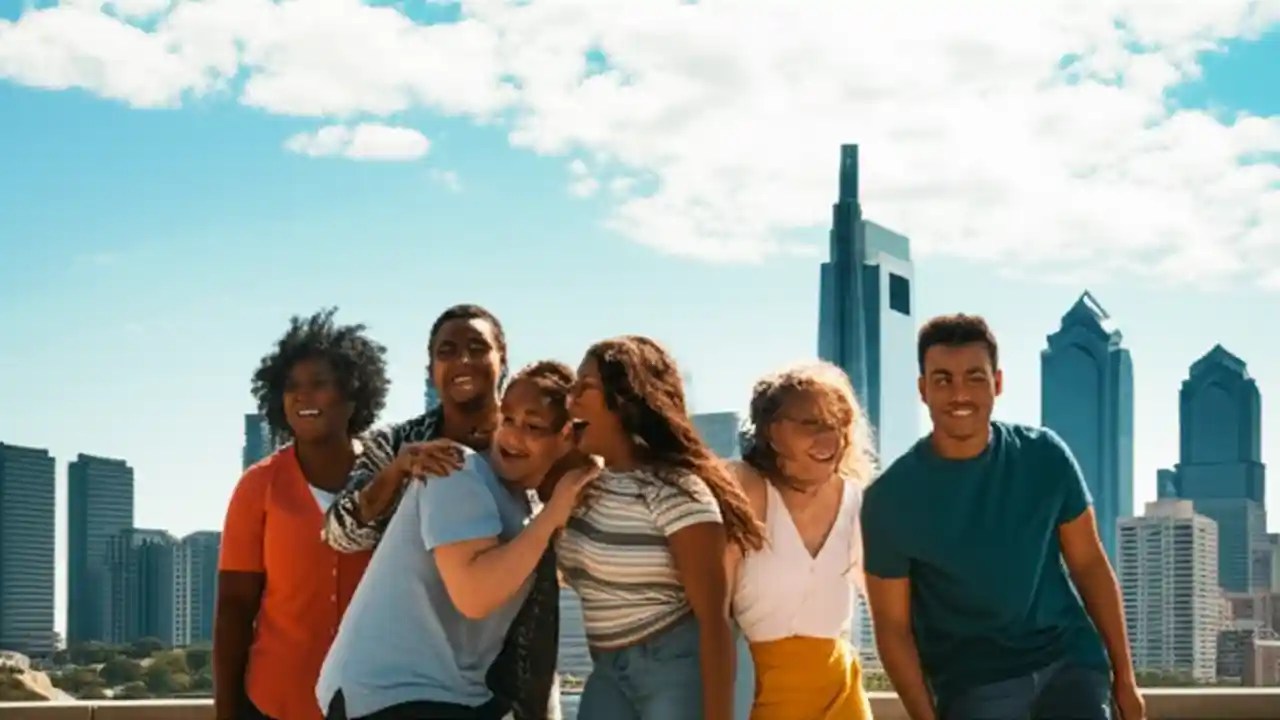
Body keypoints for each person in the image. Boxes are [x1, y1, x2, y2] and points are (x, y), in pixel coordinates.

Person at [860, 314, 1143, 720]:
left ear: (998, 383)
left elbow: (1089, 564)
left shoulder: (1044, 455)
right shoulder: (889, 499)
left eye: (975, 377)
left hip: (1070, 664)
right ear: (923, 389)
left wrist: (1125, 678)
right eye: (943, 379)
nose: (959, 393)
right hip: (974, 682)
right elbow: (891, 627)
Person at [317, 361, 597, 720]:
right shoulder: (455, 468)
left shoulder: (526, 508)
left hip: (457, 699)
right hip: (387, 696)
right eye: (507, 419)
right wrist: (553, 514)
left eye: (533, 426)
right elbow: (474, 595)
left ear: (566, 437)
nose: (512, 436)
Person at [561, 335, 766, 720]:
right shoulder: (582, 485)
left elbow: (714, 620)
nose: (570, 398)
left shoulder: (676, 490)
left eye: (585, 386)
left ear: (625, 399)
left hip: (677, 664)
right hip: (609, 668)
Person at [214, 308, 391, 720]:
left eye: (318, 384)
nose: (301, 396)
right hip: (275, 704)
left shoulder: (390, 480)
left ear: (353, 395)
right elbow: (234, 610)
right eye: (292, 386)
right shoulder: (257, 487)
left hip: (376, 703)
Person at [727, 361, 877, 720]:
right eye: (811, 423)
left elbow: (892, 611)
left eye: (838, 425)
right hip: (757, 699)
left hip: (840, 701)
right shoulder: (744, 490)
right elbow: (706, 613)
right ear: (772, 431)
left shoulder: (857, 502)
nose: (829, 438)